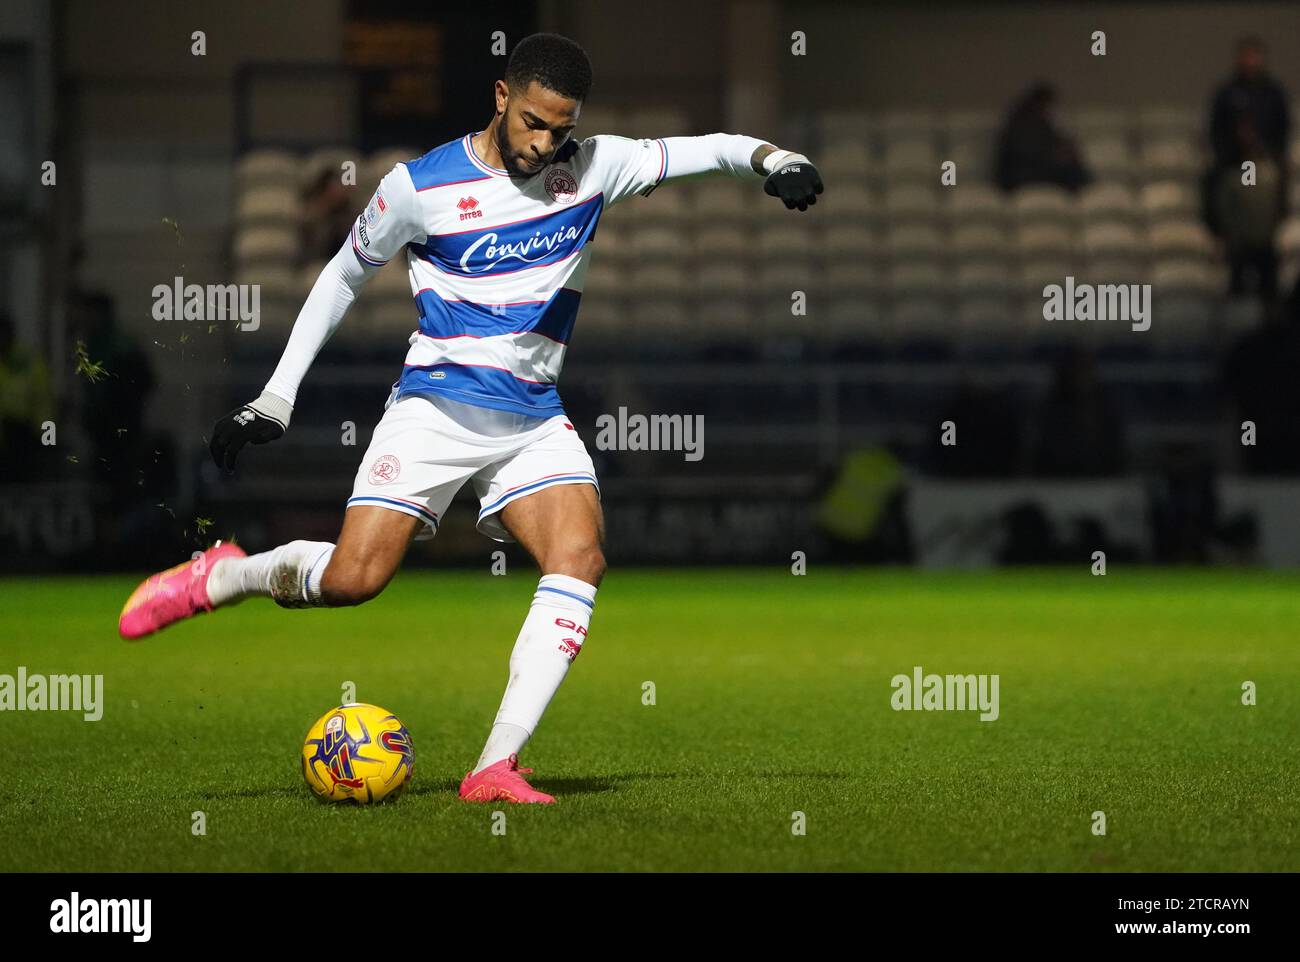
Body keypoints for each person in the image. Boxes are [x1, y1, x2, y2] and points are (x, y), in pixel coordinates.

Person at [118, 33, 823, 804]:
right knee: (356, 580)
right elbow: (342, 276)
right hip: (433, 412)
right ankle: (231, 573)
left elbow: (716, 146)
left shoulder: (592, 168)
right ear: (500, 96)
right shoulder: (417, 187)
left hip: (531, 421)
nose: (546, 142)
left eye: (561, 127)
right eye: (533, 122)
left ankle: (494, 767)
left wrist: (775, 160)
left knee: (579, 558)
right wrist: (276, 397)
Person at [1205, 37, 1291, 299]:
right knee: (1238, 275)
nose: (1250, 61)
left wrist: (1261, 146)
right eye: (1246, 56)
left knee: (1268, 278)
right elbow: (1216, 133)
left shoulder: (1274, 93)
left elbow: (1282, 132)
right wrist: (1236, 144)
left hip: (1266, 167)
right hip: (1233, 165)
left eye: (1255, 56)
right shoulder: (1226, 92)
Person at [994, 82, 1090, 193]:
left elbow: (1054, 141)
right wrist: (1055, 155)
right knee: (1071, 172)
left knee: (1072, 167)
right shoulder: (1021, 122)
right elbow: (1024, 152)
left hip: (1034, 168)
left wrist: (1065, 149)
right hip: (1018, 174)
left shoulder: (1041, 121)